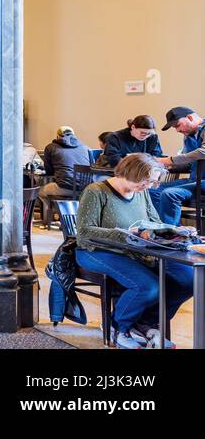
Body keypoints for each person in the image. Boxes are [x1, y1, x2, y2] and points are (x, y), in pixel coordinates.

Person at [76, 152, 192, 349]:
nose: (148, 186)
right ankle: (119, 328)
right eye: (147, 181)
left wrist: (175, 231)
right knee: (148, 287)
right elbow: (85, 232)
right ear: (131, 172)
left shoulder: (141, 192)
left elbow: (154, 222)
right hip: (96, 250)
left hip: (134, 250)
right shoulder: (95, 191)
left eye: (152, 182)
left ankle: (145, 322)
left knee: (188, 280)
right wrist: (126, 234)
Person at [151, 107, 205, 225]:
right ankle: (173, 230)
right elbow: (191, 163)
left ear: (189, 117)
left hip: (203, 182)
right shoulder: (189, 136)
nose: (177, 130)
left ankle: (171, 234)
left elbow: (203, 152)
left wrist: (169, 160)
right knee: (152, 190)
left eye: (177, 125)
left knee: (170, 193)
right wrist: (168, 167)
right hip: (195, 180)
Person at [38, 125, 89, 227]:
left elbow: (49, 171)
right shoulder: (85, 147)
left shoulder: (51, 147)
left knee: (40, 192)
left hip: (64, 187)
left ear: (58, 136)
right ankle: (66, 217)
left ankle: (54, 218)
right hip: (85, 189)